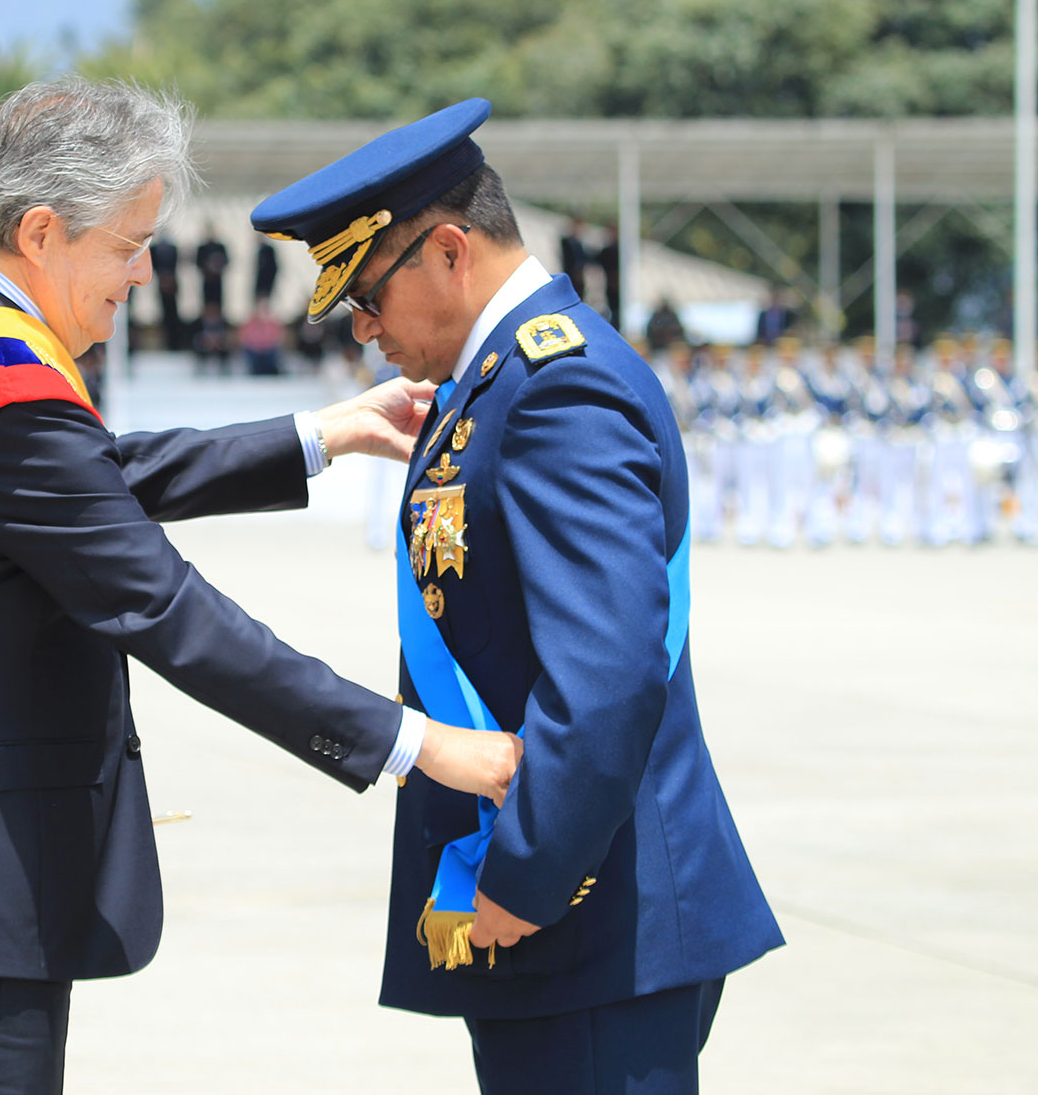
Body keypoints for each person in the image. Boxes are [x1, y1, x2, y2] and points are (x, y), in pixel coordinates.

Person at [0, 78, 521, 1095]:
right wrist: (415, 744)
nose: (143, 274)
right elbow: (168, 610)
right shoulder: (1, 393)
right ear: (44, 232)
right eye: (127, 244)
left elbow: (80, 483)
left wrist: (318, 436)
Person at [252, 98, 784, 1094]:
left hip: (587, 908)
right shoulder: (493, 385)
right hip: (553, 911)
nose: (363, 332)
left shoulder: (555, 391)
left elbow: (610, 673)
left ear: (449, 251)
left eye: (367, 298)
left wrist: (527, 876)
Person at [195, 223, 228, 314]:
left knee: (218, 301)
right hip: (207, 280)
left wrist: (217, 269)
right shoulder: (202, 248)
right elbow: (198, 262)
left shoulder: (220, 247)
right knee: (207, 301)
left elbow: (225, 261)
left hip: (217, 280)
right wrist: (207, 270)